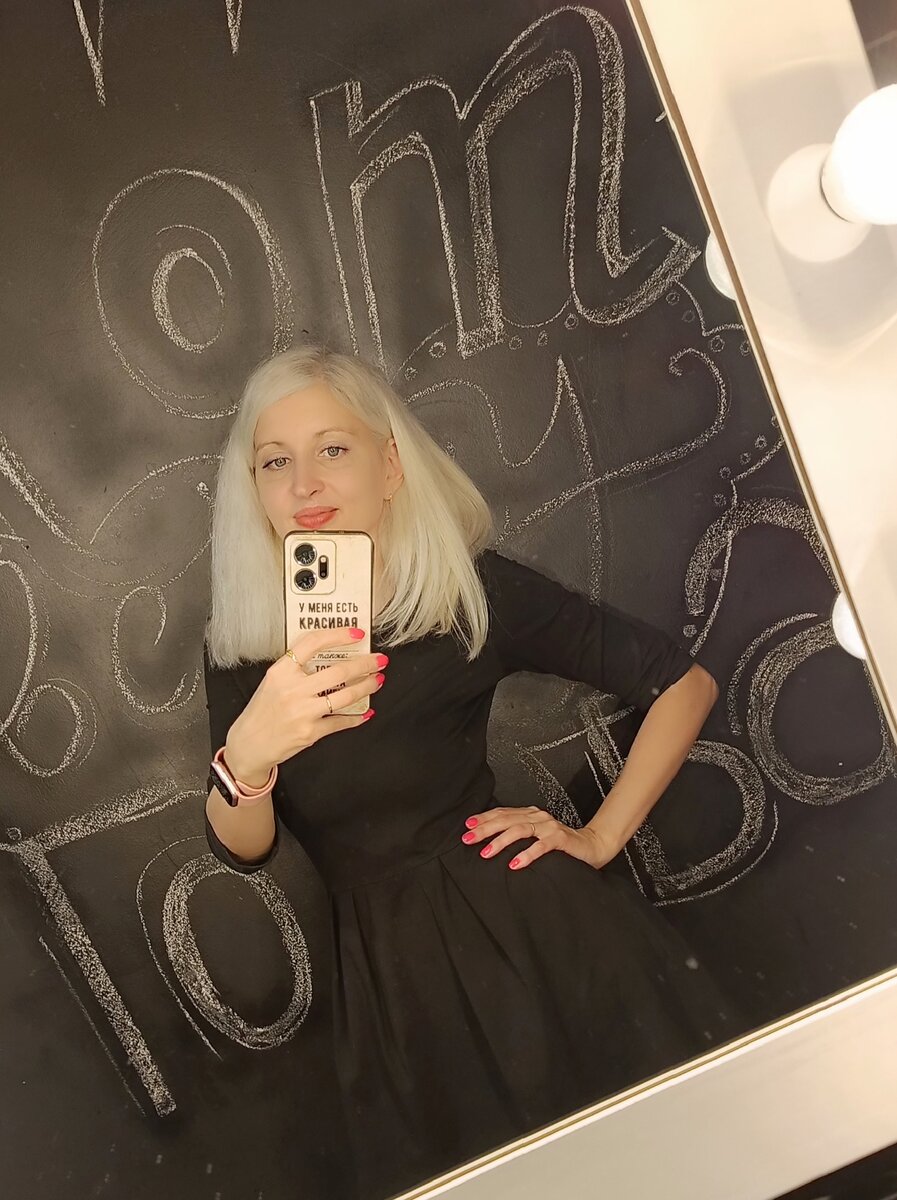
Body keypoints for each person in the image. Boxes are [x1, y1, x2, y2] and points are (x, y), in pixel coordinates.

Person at [202, 343, 737, 1200]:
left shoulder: (464, 592)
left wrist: (599, 837)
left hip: (534, 941)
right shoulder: (242, 648)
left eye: (332, 448)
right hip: (391, 993)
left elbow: (682, 684)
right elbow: (244, 849)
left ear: (388, 466)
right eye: (275, 462)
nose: (303, 484)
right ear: (254, 491)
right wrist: (249, 754)